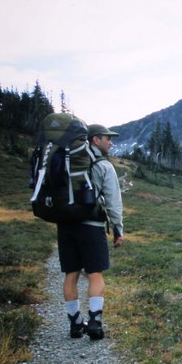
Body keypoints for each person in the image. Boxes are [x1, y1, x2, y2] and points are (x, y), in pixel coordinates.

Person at [60, 124, 124, 340]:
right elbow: (113, 201)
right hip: (92, 225)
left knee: (71, 274)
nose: (110, 142)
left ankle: (75, 324)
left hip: (65, 224)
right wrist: (118, 228)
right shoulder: (103, 166)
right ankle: (95, 322)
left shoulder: (68, 160)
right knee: (95, 274)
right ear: (95, 139)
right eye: (107, 138)